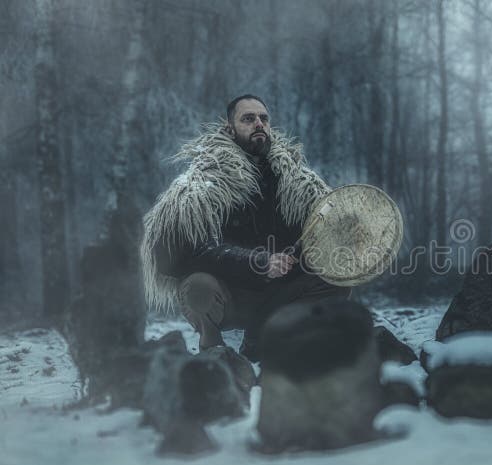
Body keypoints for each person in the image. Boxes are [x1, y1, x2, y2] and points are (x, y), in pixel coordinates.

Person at [140, 94, 350, 361]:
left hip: (279, 297)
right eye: (248, 119)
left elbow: (316, 241)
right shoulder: (200, 185)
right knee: (197, 287)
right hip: (227, 297)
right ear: (230, 129)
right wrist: (258, 262)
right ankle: (215, 354)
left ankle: (272, 341)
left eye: (264, 118)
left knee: (337, 279)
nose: (259, 124)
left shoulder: (297, 182)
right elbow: (173, 255)